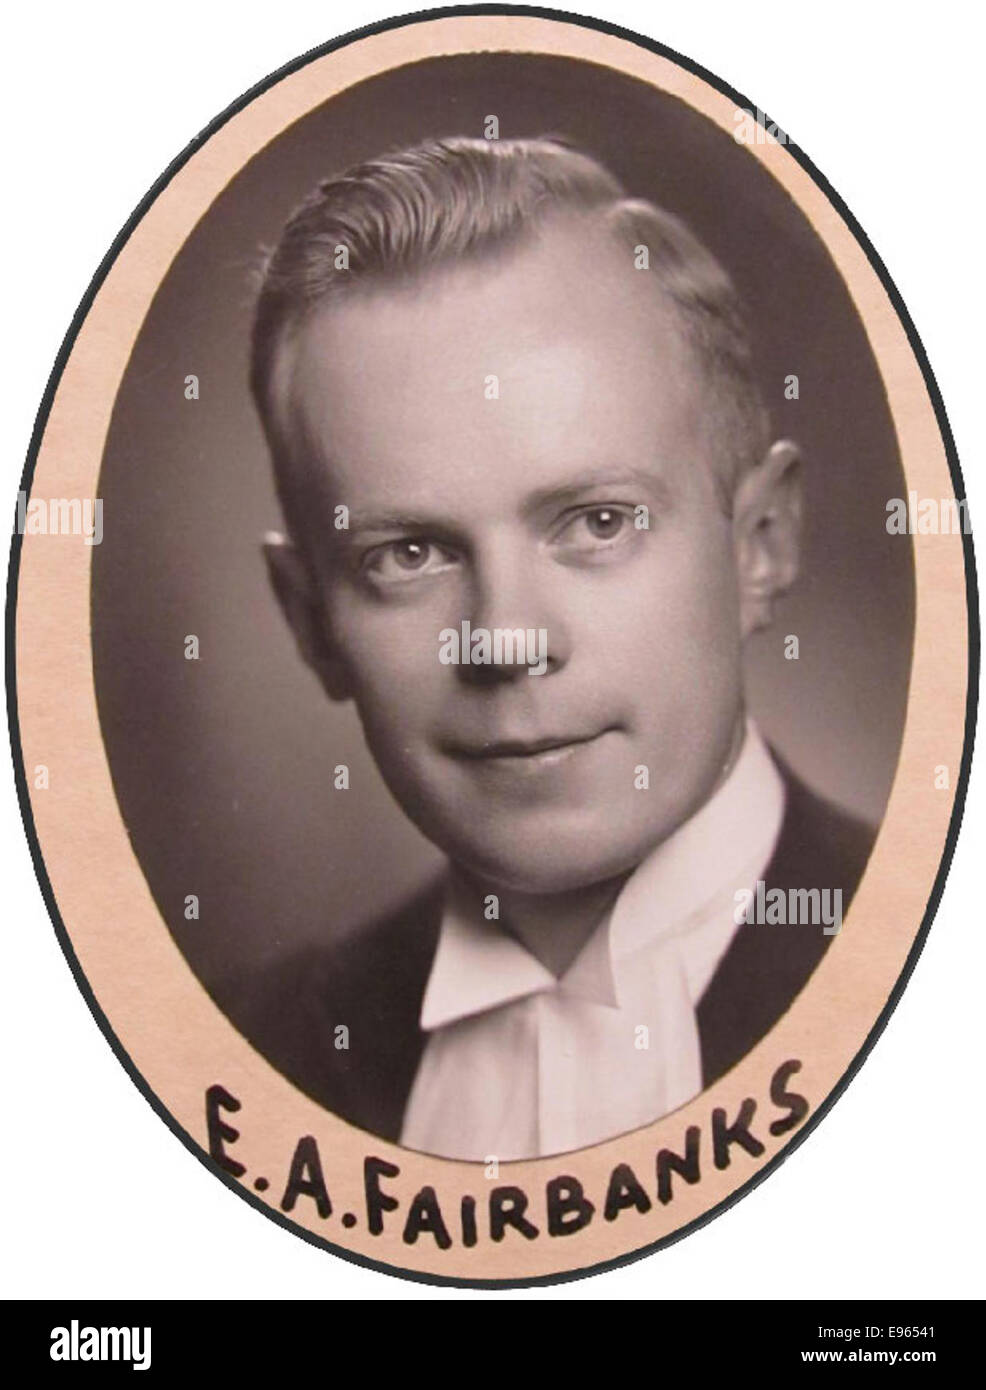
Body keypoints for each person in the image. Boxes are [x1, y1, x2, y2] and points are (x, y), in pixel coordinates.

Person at [237, 136, 874, 1160]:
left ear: (759, 543)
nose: (505, 639)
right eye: (408, 553)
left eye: (596, 522)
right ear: (309, 620)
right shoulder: (242, 1060)